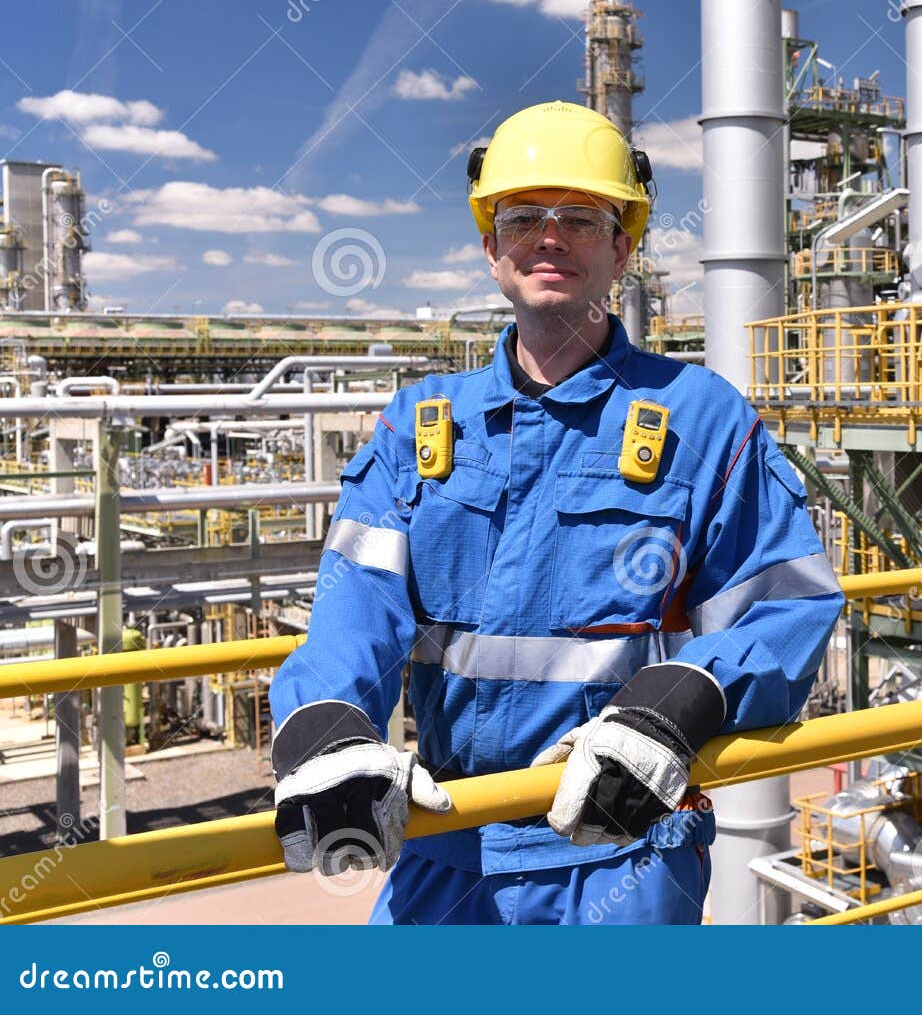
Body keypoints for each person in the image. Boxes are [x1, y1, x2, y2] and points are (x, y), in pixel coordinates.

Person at [267, 101, 843, 925]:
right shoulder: (422, 424)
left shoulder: (701, 420)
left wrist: (675, 705)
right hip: (445, 837)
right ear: (489, 244)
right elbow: (355, 610)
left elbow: (786, 604)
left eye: (581, 218)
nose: (550, 237)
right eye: (524, 216)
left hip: (624, 848)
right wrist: (326, 724)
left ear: (622, 247)